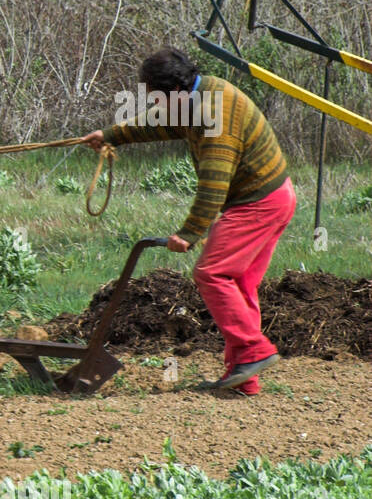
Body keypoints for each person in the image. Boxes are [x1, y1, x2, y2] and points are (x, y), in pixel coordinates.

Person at [83, 47, 296, 395]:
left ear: (176, 91)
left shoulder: (216, 115)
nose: (153, 105)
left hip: (257, 203)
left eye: (155, 97)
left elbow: (214, 182)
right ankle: (245, 378)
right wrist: (111, 135)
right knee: (239, 285)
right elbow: (160, 123)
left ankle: (255, 351)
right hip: (273, 196)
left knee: (212, 273)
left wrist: (190, 232)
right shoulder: (196, 94)